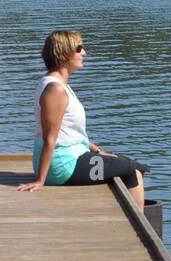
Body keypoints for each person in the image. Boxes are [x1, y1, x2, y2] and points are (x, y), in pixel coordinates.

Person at [15, 29, 150, 211]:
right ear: (64, 55)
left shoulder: (59, 85)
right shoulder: (55, 89)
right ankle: (141, 224)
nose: (84, 52)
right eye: (79, 48)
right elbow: (50, 138)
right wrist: (40, 180)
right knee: (132, 170)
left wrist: (97, 150)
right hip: (63, 167)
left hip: (73, 157)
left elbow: (69, 133)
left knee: (122, 161)